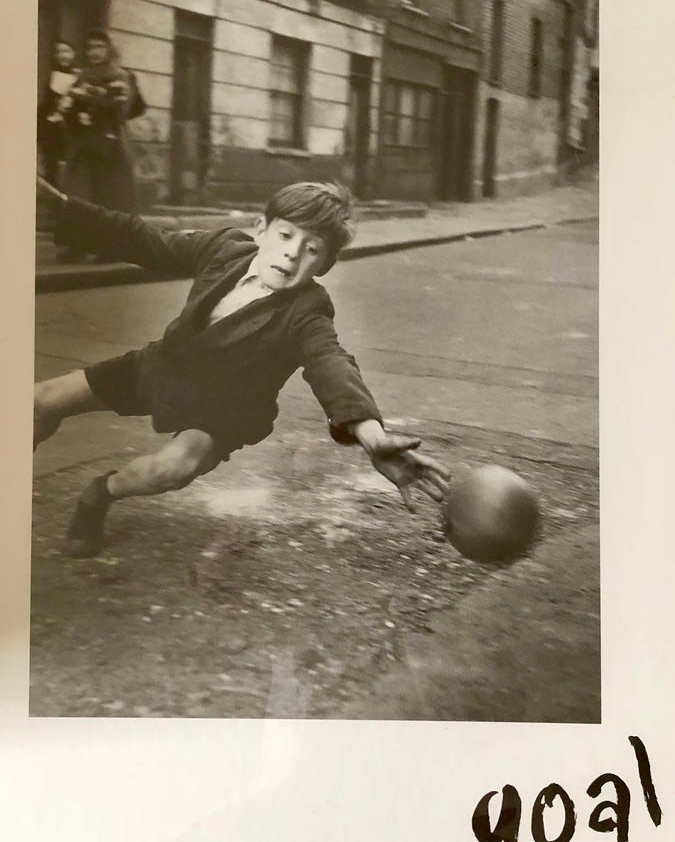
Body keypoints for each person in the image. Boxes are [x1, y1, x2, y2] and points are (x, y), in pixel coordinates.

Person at [34, 175, 451, 558]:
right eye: (286, 235)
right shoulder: (225, 249)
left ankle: (99, 495)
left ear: (324, 265)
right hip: (161, 369)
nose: (291, 255)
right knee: (38, 402)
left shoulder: (309, 310)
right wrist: (62, 207)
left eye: (312, 249)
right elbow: (145, 240)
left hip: (222, 410)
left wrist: (372, 436)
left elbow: (332, 364)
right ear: (261, 229)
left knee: (169, 469)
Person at [63, 29, 136, 219]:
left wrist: (93, 98)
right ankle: (77, 241)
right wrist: (73, 110)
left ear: (108, 50)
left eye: (99, 47)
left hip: (111, 146)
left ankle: (110, 241)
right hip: (84, 146)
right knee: (80, 194)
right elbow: (69, 106)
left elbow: (122, 111)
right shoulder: (82, 75)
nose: (93, 52)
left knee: (111, 196)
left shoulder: (121, 76)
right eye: (90, 47)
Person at [37, 40, 78, 188]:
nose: (62, 55)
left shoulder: (79, 77)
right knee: (50, 166)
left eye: (66, 51)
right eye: (59, 52)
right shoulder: (51, 76)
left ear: (73, 54)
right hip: (51, 129)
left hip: (71, 128)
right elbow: (46, 104)